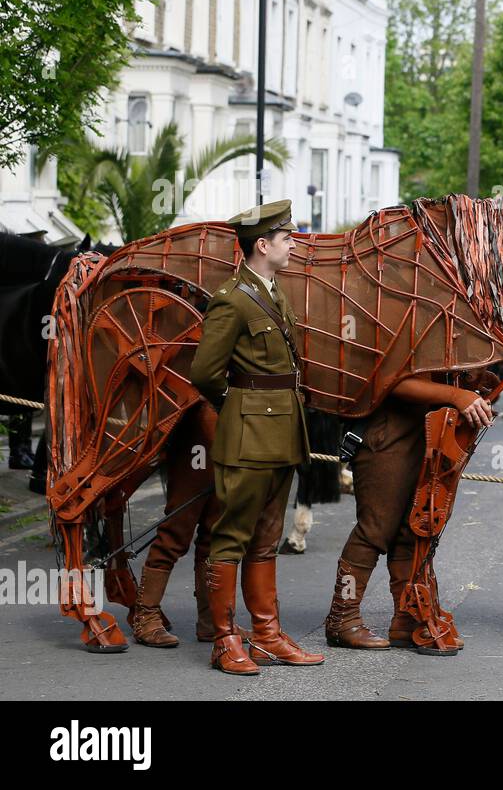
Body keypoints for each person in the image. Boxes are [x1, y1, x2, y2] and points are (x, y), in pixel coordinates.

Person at [190, 199, 324, 675]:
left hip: (284, 433)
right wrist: (241, 406)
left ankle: (266, 634)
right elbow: (205, 372)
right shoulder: (232, 297)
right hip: (248, 437)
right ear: (262, 245)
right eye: (287, 238)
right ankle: (226, 639)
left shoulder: (272, 290)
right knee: (231, 538)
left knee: (265, 541)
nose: (293, 244)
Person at [323, 376, 494, 651]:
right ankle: (342, 618)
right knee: (374, 531)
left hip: (425, 429)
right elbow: (390, 378)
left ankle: (406, 617)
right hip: (386, 431)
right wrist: (456, 395)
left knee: (411, 530)